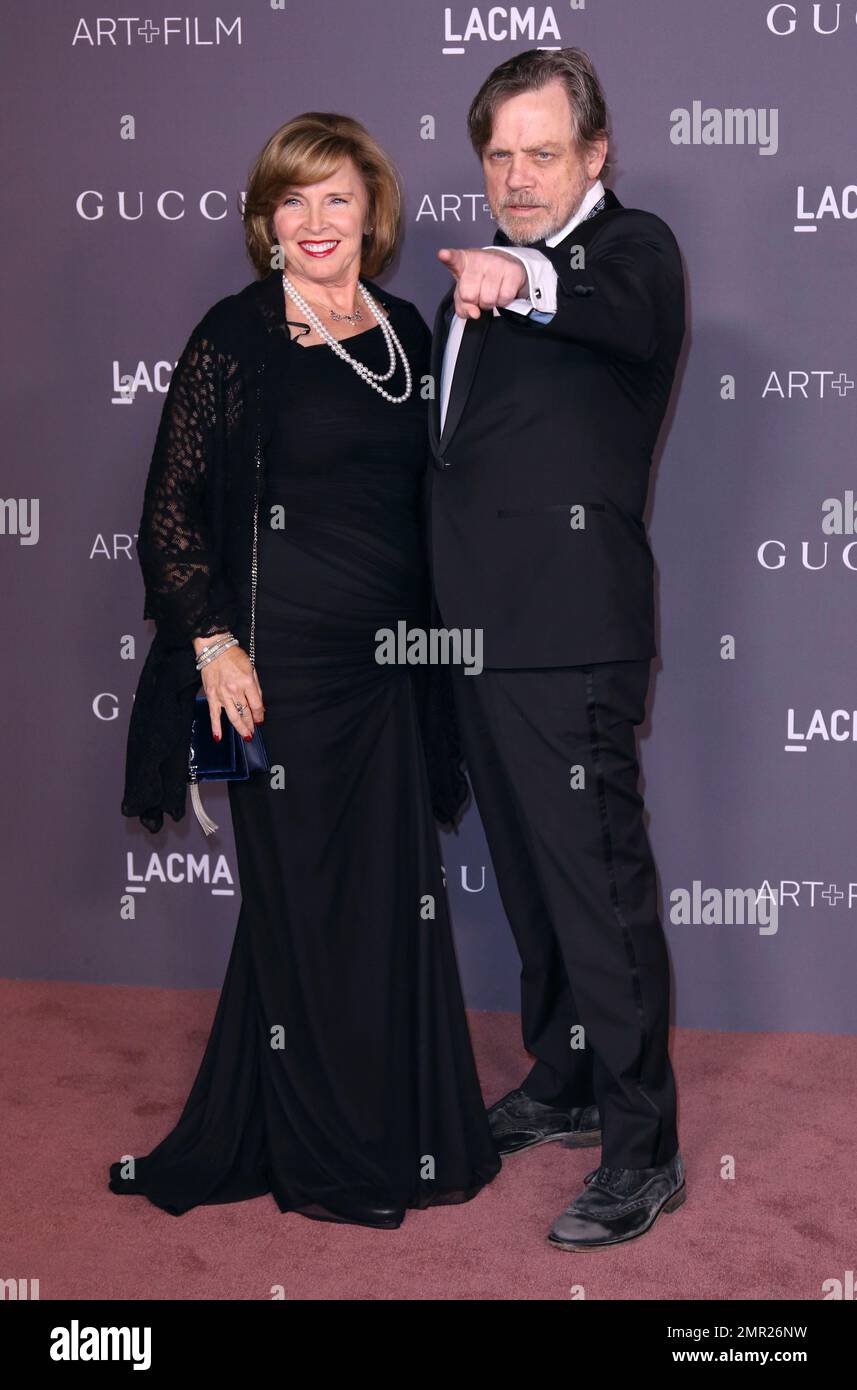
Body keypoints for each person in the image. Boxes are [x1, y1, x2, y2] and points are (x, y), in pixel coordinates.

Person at [111, 111, 500, 1228]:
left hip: (390, 668)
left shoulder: (408, 331)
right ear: (264, 220)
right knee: (304, 899)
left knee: (389, 900)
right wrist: (214, 641)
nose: (317, 220)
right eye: (294, 200)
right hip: (276, 668)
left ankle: (404, 1127)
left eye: (337, 197)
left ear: (372, 212)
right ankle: (330, 1153)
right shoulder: (235, 337)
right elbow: (169, 514)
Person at [428, 48, 686, 1250]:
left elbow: (596, 305)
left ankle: (644, 1153)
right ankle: (564, 1074)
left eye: (542, 153)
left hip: (572, 636)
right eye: (498, 154)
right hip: (471, 638)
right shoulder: (460, 297)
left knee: (598, 892)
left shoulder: (630, 258)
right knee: (534, 886)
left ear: (594, 156)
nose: (517, 177)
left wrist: (515, 275)